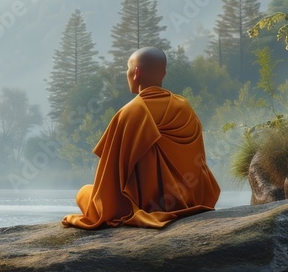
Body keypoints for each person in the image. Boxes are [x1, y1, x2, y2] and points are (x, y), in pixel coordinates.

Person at [62, 47, 220, 229]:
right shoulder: (184, 108)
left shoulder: (130, 113)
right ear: (164, 73)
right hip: (188, 200)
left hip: (144, 205)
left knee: (84, 192)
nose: (127, 73)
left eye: (127, 69)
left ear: (136, 73)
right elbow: (198, 162)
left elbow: (108, 181)